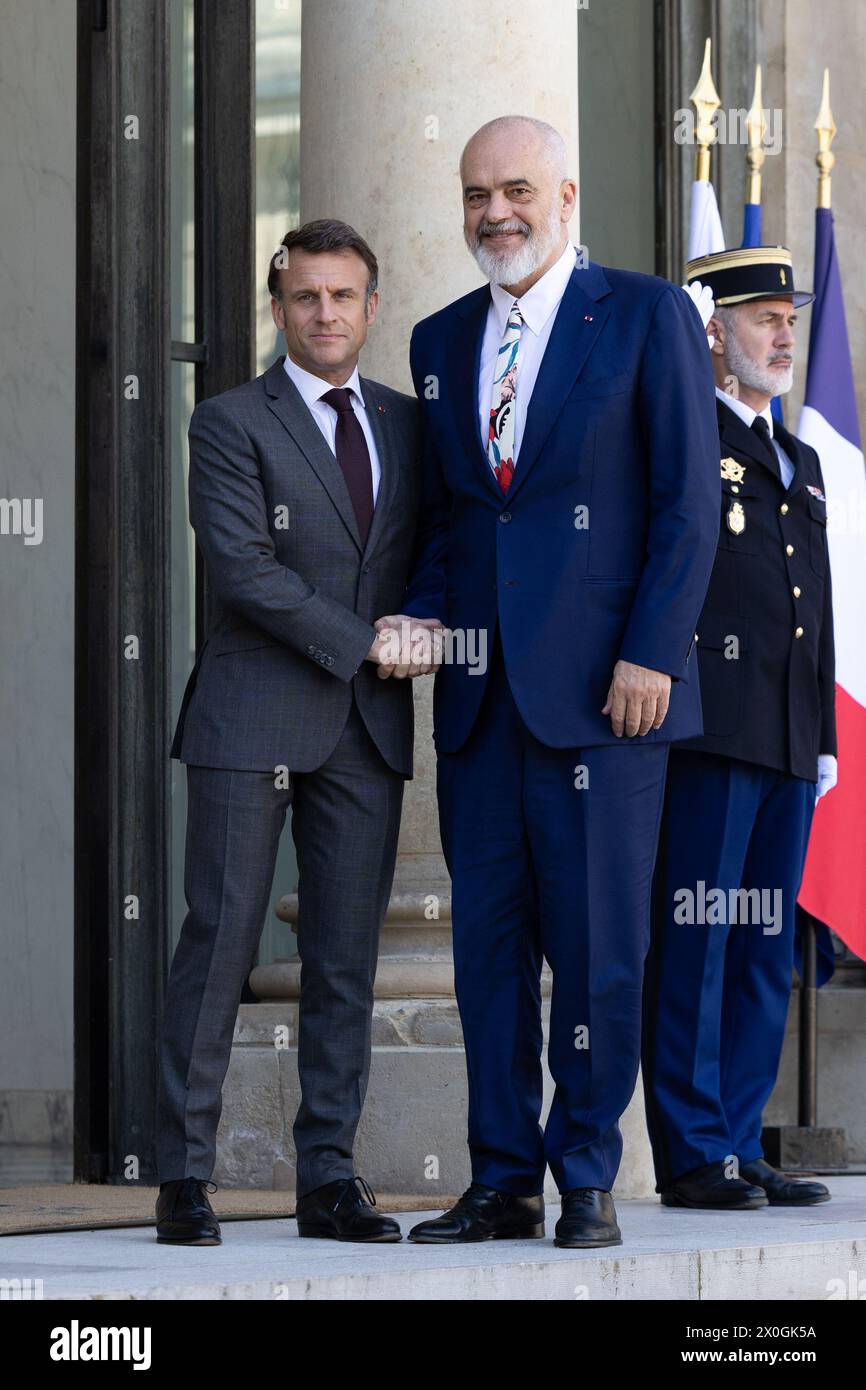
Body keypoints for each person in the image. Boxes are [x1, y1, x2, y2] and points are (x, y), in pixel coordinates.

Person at [378, 115, 720, 1248]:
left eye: (514, 189)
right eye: (475, 195)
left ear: (564, 195)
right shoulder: (435, 342)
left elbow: (682, 505)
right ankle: (500, 1177)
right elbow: (445, 523)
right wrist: (423, 617)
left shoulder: (646, 313)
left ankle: (584, 1173)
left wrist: (651, 654)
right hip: (478, 706)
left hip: (606, 703)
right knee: (486, 955)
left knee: (596, 949)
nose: (494, 214)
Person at [156, 219, 440, 1245]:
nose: (325, 313)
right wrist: (369, 639)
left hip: (363, 730)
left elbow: (433, 552)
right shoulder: (227, 422)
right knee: (220, 940)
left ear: (371, 307)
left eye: (342, 296)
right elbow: (245, 571)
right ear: (279, 310)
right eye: (305, 297)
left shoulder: (409, 426)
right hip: (251, 713)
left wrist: (428, 621)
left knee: (344, 960)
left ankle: (327, 1176)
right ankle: (183, 1174)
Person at [641, 246, 836, 1210]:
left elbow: (815, 600)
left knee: (763, 949)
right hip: (712, 733)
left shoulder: (796, 458)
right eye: (763, 316)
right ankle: (691, 1149)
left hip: (790, 738)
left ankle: (743, 1138)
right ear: (712, 334)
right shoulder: (685, 440)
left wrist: (826, 733)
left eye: (790, 315)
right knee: (700, 942)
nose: (785, 332)